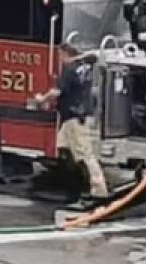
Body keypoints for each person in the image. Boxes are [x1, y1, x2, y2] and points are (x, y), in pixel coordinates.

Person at [32, 41, 108, 204]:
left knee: (84, 154)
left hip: (74, 118)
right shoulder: (85, 66)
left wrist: (41, 99)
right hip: (76, 116)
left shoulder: (69, 69)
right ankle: (72, 187)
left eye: (60, 54)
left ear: (66, 53)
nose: (59, 58)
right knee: (63, 148)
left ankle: (99, 190)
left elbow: (57, 92)